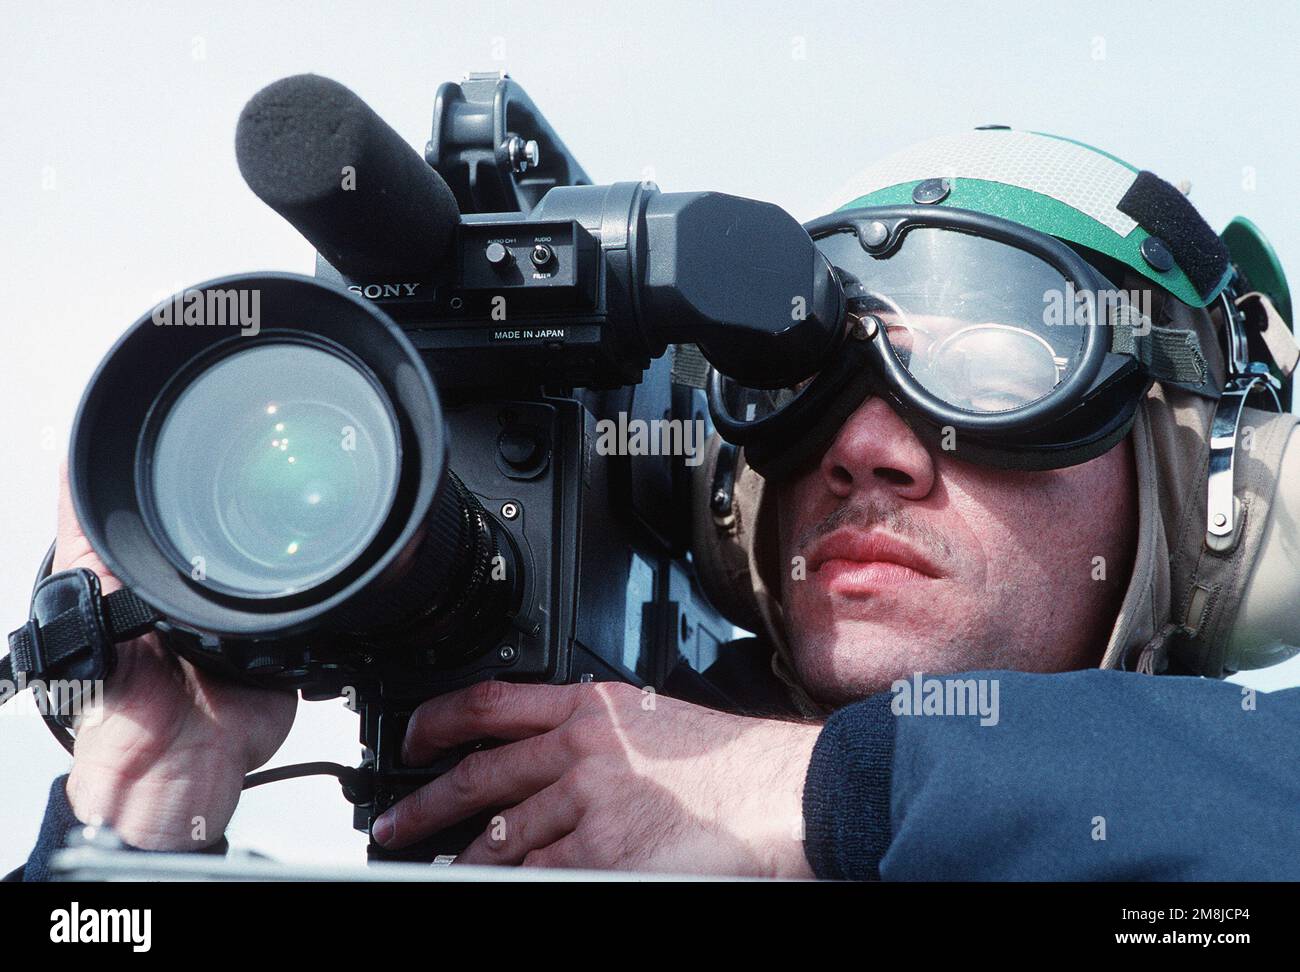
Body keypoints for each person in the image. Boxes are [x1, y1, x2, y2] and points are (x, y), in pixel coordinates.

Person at [10, 129, 1300, 881]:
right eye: (803, 379)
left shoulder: (1216, 830)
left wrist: (814, 797)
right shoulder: (590, 818)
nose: (864, 446)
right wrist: (143, 817)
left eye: (996, 368)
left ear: (1207, 486)